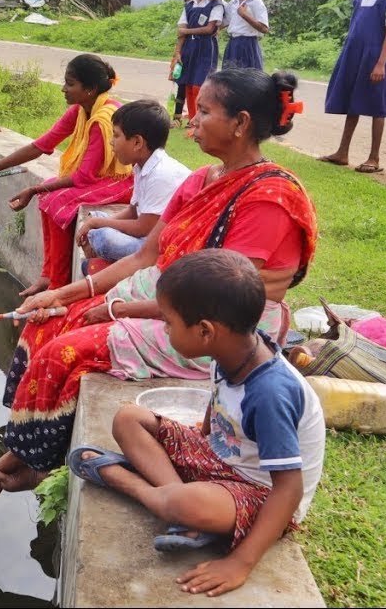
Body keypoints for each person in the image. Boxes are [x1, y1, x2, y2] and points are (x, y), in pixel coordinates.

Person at [0, 67, 317, 497]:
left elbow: (220, 299)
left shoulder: (270, 199)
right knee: (44, 321)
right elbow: (145, 256)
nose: (191, 120)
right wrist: (66, 292)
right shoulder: (200, 180)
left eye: (203, 111)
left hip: (216, 323)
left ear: (240, 123)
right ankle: (22, 451)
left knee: (66, 351)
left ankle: (32, 463)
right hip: (166, 297)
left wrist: (118, 309)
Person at [70, 249, 324, 597]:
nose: (165, 328)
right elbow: (216, 404)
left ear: (205, 331)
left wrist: (241, 562)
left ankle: (135, 485)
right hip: (221, 459)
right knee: (128, 417)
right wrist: (194, 440)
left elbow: (288, 490)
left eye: (169, 323)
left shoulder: (269, 393)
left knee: (185, 505)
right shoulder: (231, 351)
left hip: (260, 493)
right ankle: (179, 506)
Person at [0, 55, 133, 295]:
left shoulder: (102, 119)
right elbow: (41, 145)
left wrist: (33, 189)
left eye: (70, 83)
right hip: (99, 177)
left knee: (57, 199)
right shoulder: (81, 109)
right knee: (49, 193)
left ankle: (58, 284)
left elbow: (83, 178)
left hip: (122, 181)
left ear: (90, 89)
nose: (64, 89)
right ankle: (48, 274)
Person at [76, 100, 191, 271]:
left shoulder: (162, 173)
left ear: (137, 142)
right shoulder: (141, 166)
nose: (111, 142)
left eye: (116, 135)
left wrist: (97, 224)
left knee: (105, 237)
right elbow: (132, 211)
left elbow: (142, 228)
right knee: (95, 220)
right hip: (147, 236)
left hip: (164, 248)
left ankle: (107, 260)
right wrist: (95, 222)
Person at [320, 0, 386, 174]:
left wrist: (381, 63)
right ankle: (342, 152)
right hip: (355, 53)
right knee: (352, 101)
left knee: (378, 104)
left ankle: (374, 157)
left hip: (378, 56)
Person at [170, 0, 223, 126]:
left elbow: (209, 29)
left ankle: (203, 121)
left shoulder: (216, 4)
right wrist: (177, 53)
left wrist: (187, 30)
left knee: (199, 86)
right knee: (187, 85)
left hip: (206, 49)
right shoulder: (189, 5)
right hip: (188, 49)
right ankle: (193, 122)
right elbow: (181, 32)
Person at [223, 0, 269, 70]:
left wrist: (244, 15)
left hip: (248, 45)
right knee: (229, 79)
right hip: (232, 44)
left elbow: (264, 29)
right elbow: (225, 22)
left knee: (248, 79)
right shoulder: (233, 3)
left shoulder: (256, 2)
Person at [171, 0, 197, 122]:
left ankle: (194, 116)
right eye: (185, 0)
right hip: (184, 50)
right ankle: (177, 116)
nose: (187, 3)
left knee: (195, 85)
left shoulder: (208, 7)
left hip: (198, 51)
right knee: (181, 83)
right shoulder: (187, 10)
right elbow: (180, 34)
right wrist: (177, 53)